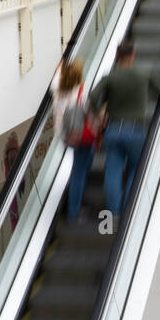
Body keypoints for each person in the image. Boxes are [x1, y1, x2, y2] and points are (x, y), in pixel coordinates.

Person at [89, 39, 160, 217]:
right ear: (133, 54)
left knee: (113, 171)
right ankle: (129, 211)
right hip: (136, 130)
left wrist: (98, 115)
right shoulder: (145, 72)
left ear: (118, 56)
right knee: (135, 169)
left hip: (113, 130)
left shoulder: (110, 76)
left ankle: (113, 213)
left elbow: (92, 96)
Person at [54, 59, 98, 224]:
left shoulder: (59, 93)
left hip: (67, 136)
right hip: (82, 137)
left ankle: (75, 203)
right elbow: (89, 112)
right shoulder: (80, 95)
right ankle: (74, 212)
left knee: (83, 162)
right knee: (79, 170)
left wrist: (60, 67)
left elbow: (55, 82)